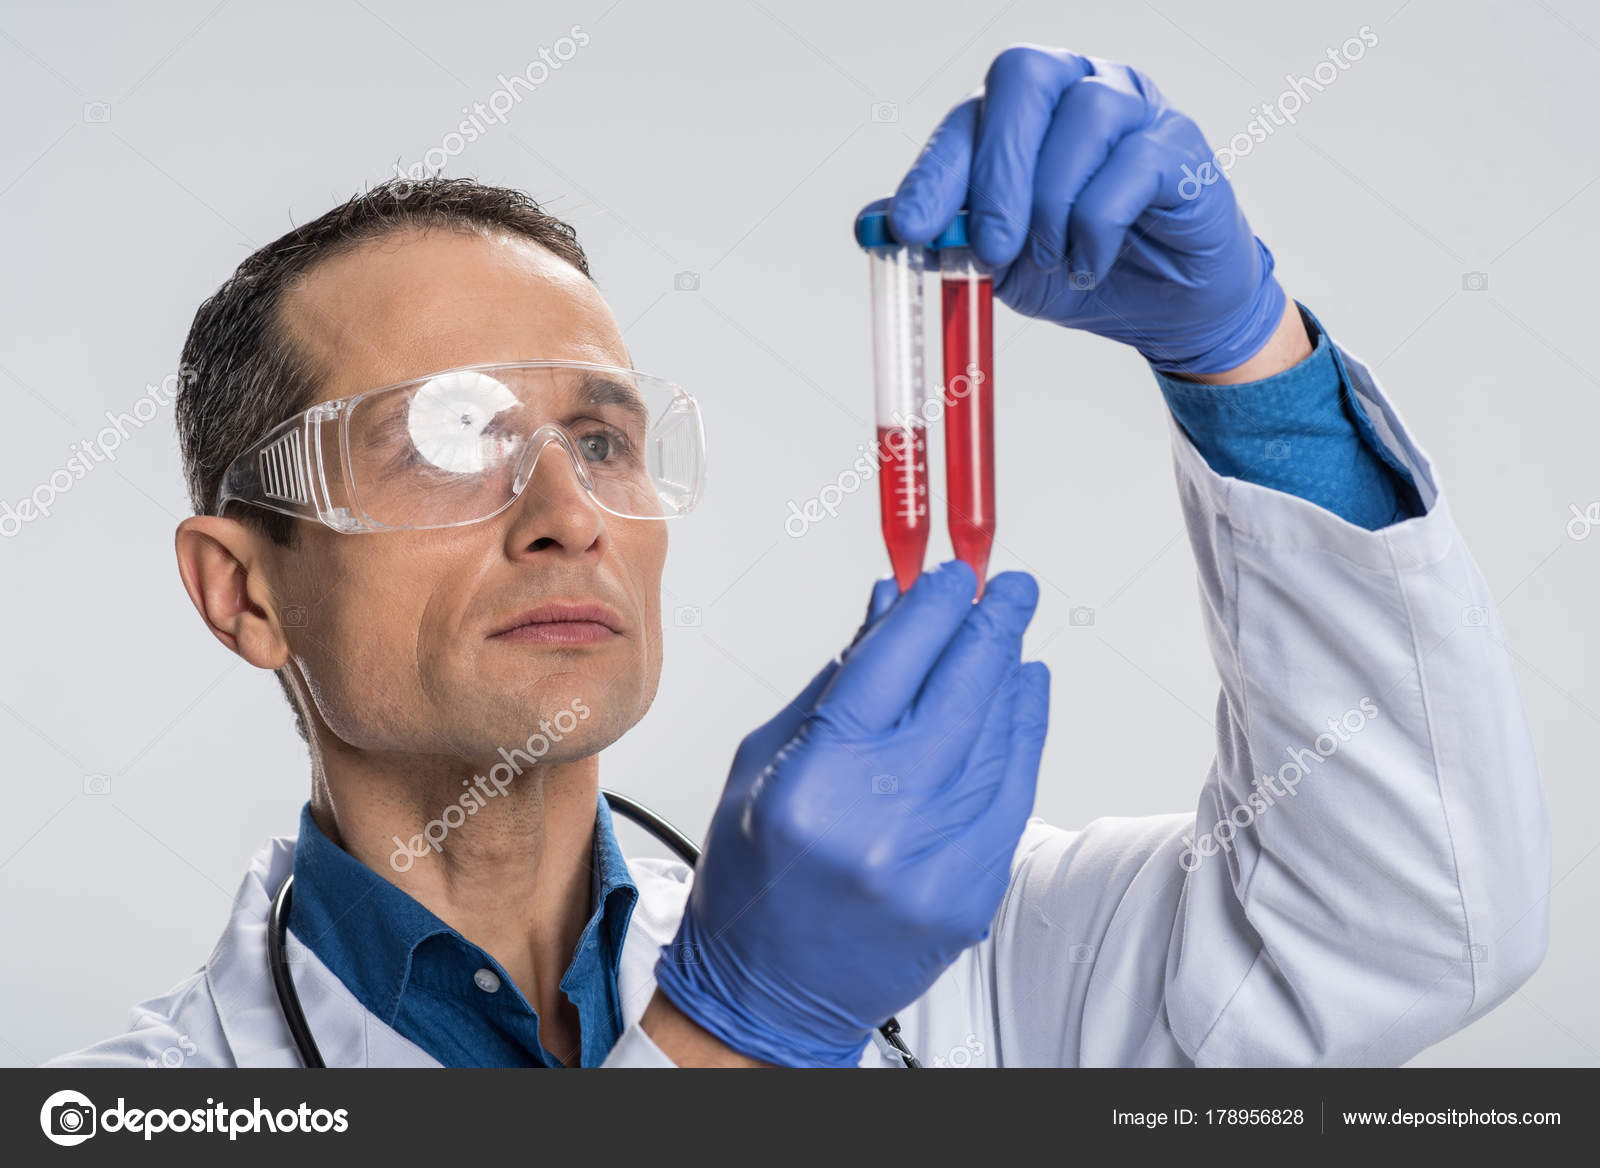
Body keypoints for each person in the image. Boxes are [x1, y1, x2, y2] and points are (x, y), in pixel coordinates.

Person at [47, 45, 1547, 1069]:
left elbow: (1412, 920)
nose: (566, 512)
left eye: (604, 438)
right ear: (244, 590)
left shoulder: (949, 955)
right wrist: (740, 1039)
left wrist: (1246, 364)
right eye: (448, 439)